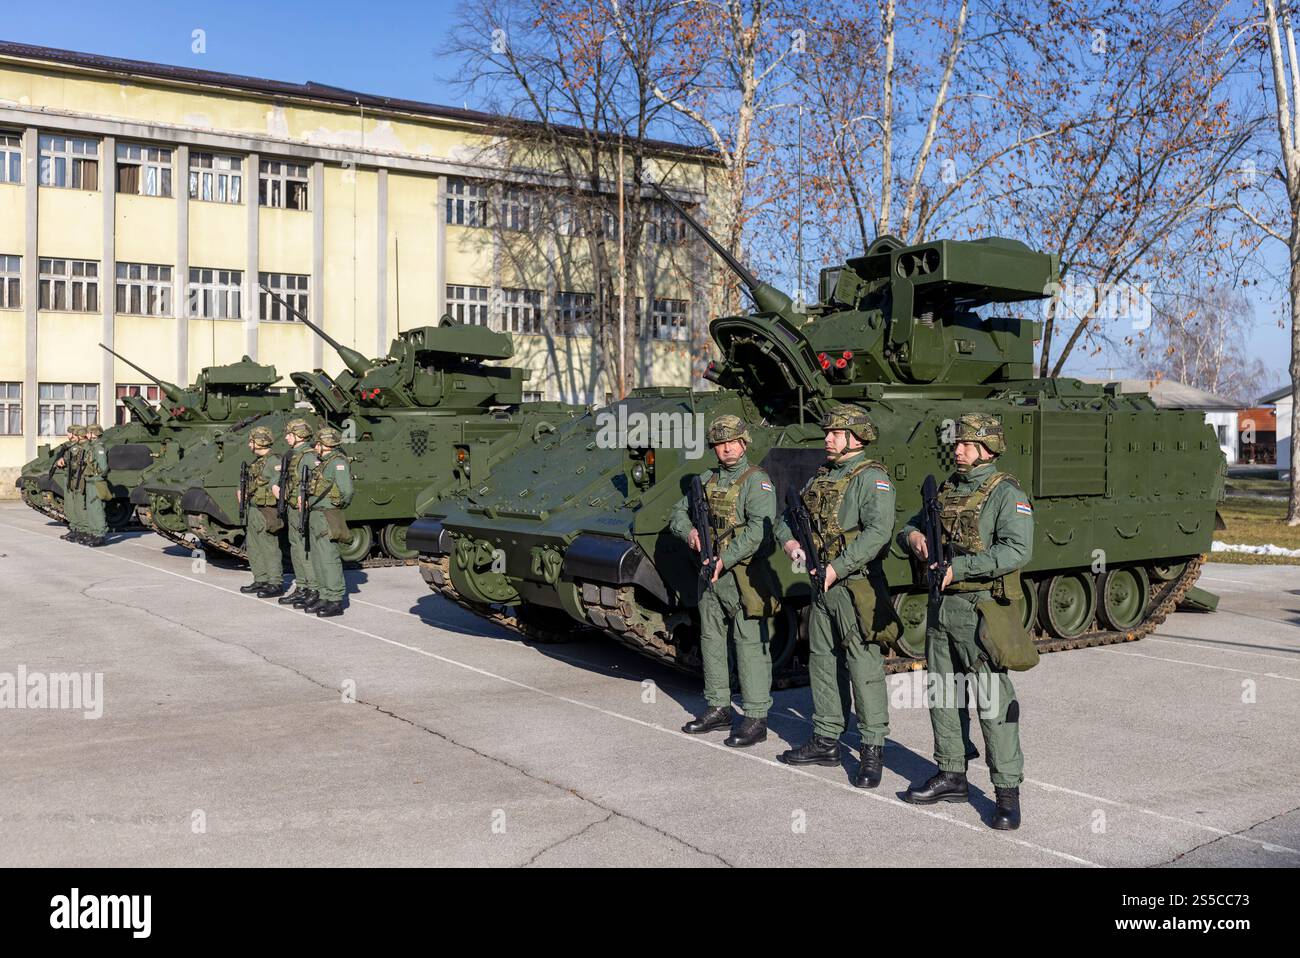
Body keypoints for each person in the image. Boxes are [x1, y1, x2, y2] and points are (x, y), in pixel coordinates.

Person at [899, 412, 1034, 830]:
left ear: (987, 449)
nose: (956, 449)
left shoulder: (1005, 493)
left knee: (993, 702)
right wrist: (914, 537)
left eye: (965, 444)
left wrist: (965, 567)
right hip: (941, 611)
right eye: (956, 443)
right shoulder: (946, 489)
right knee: (943, 694)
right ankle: (952, 774)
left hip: (980, 610)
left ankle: (1006, 793)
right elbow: (906, 528)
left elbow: (1017, 550)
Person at [775, 405, 899, 788]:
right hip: (821, 582)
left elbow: (878, 533)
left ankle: (872, 748)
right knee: (822, 662)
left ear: (856, 438)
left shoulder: (872, 478)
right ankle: (827, 739)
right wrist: (792, 543)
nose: (827, 438)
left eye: (835, 433)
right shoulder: (823, 475)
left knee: (863, 667)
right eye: (827, 432)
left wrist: (837, 568)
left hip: (855, 584)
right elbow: (786, 519)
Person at [668, 415, 779, 748]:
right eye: (720, 443)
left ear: (744, 443)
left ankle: (756, 717)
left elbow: (760, 530)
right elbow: (677, 512)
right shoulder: (706, 478)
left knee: (749, 647)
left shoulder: (756, 481)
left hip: (744, 576)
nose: (726, 448)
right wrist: (688, 532)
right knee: (711, 640)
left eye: (732, 441)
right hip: (710, 574)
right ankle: (718, 707)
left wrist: (725, 559)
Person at [303, 427, 353, 617]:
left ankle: (335, 599)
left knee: (329, 558)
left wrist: (335, 505)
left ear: (326, 444)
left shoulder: (337, 463)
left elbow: (346, 491)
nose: (315, 447)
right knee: (318, 558)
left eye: (318, 443)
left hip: (328, 514)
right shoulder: (324, 464)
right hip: (316, 513)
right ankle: (324, 594)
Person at [238, 426, 286, 598]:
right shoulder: (256, 462)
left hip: (266, 510)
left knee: (269, 546)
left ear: (260, 441)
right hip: (253, 508)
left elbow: (276, 485)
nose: (249, 444)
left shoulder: (274, 462)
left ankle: (275, 582)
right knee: (254, 546)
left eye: (251, 441)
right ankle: (261, 579)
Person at [277, 419, 319, 608]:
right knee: (296, 547)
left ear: (299, 435)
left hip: (304, 509)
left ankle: (313, 587)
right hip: (293, 507)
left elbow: (316, 483)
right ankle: (302, 585)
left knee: (305, 549)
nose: (286, 437)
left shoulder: (309, 456)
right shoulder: (294, 455)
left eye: (289, 434)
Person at [80, 423, 110, 547]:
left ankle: (100, 534)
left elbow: (103, 467)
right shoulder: (92, 446)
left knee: (97, 509)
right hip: (90, 480)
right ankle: (93, 532)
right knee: (91, 508)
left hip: (96, 481)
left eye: (88, 432)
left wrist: (97, 475)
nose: (86, 434)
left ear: (94, 433)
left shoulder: (99, 447)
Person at [56, 426, 85, 543]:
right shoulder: (69, 446)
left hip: (77, 479)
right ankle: (74, 528)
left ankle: (81, 529)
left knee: (79, 506)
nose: (68, 436)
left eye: (70, 433)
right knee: (70, 505)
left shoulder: (82, 447)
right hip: (69, 479)